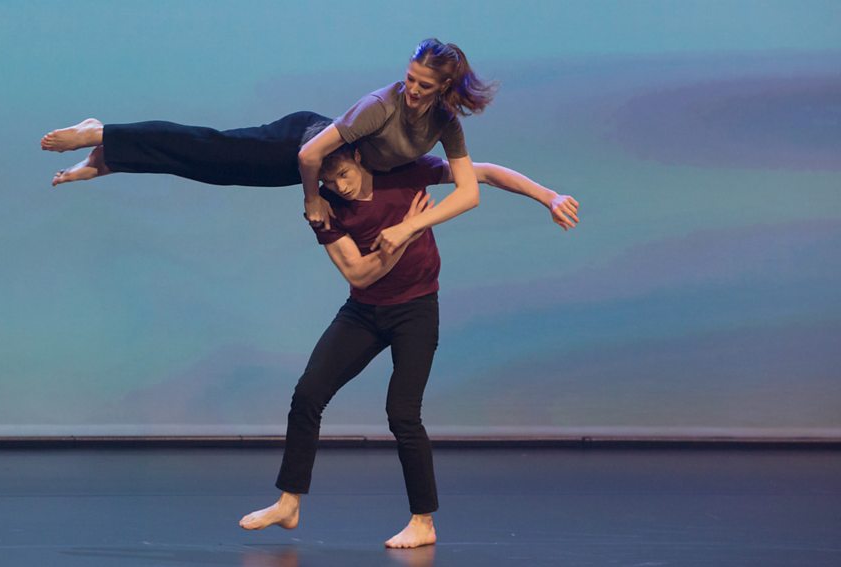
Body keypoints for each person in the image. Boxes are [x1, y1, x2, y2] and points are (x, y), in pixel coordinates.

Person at [237, 131, 579, 549]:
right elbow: (359, 274)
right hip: (363, 311)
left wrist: (549, 197)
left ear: (360, 157)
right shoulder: (326, 209)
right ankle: (289, 503)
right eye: (330, 182)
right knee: (308, 393)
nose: (340, 186)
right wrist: (408, 232)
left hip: (415, 310)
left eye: (344, 174)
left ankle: (423, 522)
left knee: (402, 413)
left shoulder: (404, 172)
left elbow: (484, 174)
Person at [39, 38, 496, 242]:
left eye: (424, 86)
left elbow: (471, 190)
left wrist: (547, 196)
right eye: (410, 79)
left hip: (329, 165)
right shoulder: (383, 103)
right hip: (305, 141)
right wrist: (313, 201)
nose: (412, 91)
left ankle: (115, 158)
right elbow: (310, 153)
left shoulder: (446, 125)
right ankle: (101, 134)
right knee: (211, 149)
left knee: (213, 171)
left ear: (445, 90)